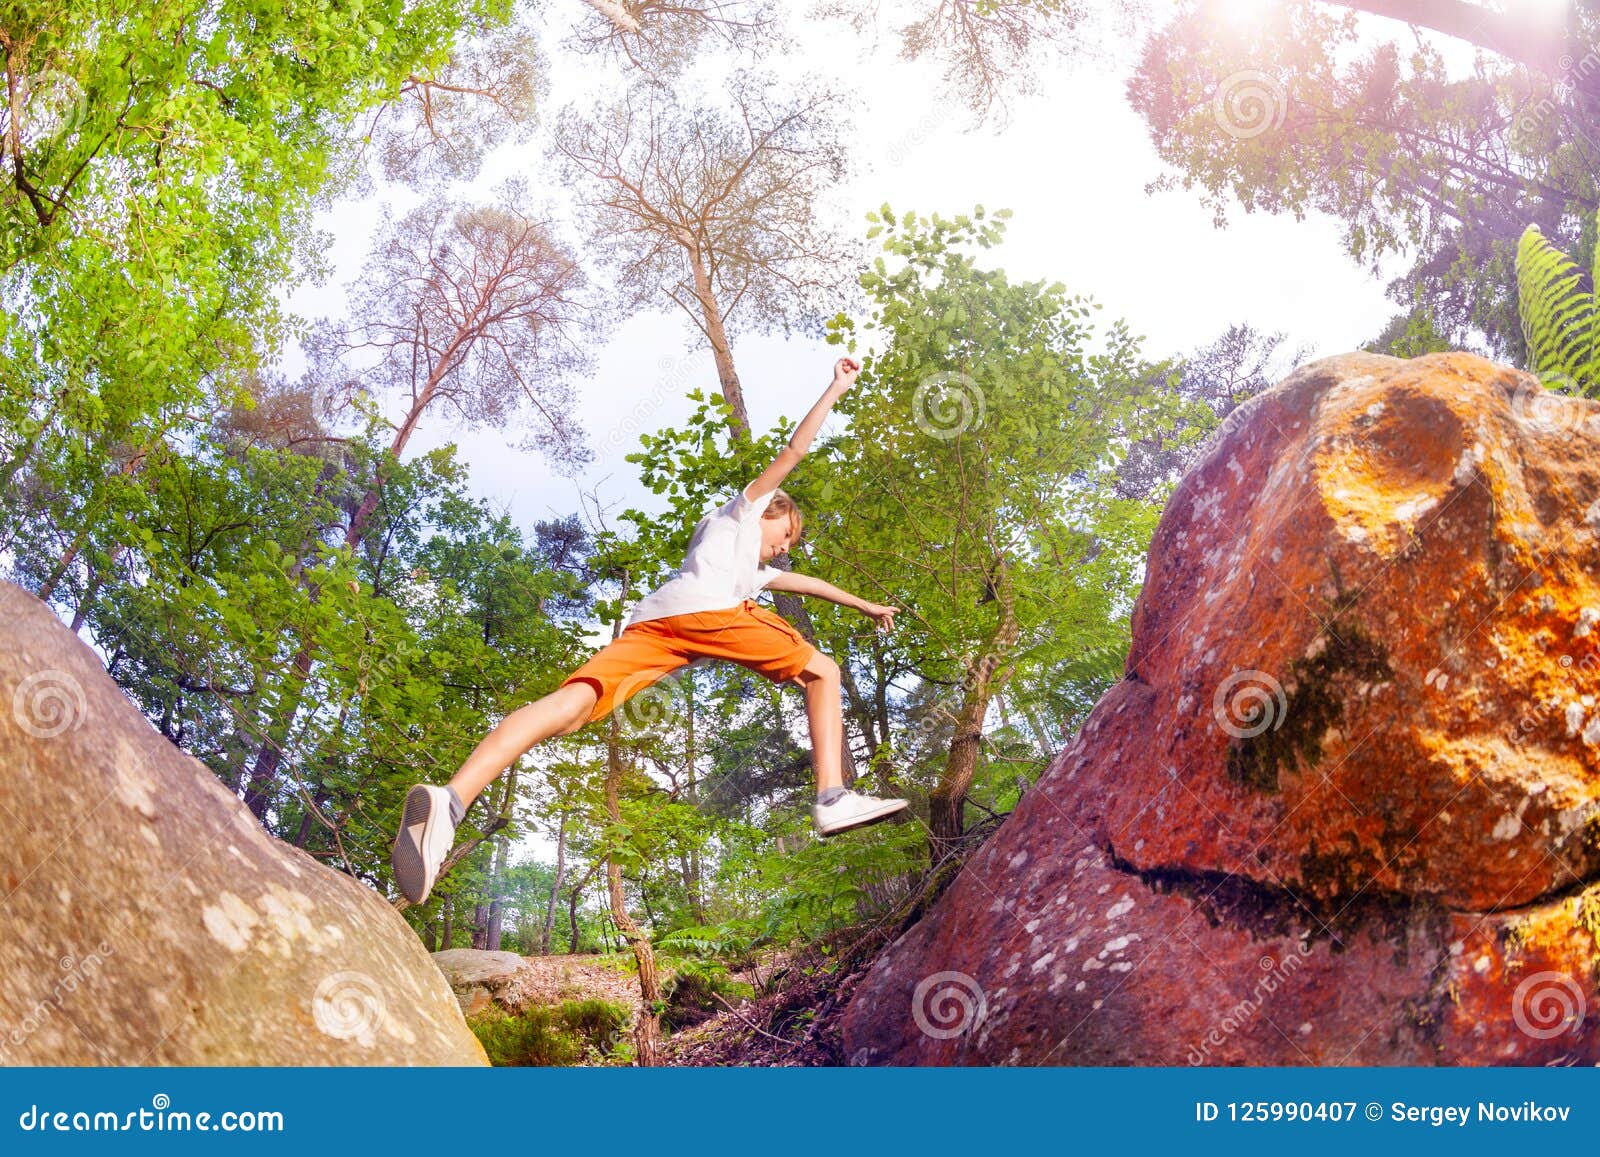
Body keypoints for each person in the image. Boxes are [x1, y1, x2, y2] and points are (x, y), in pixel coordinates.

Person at [391, 357, 909, 905]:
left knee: (571, 706)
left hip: (655, 624)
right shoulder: (743, 511)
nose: (786, 546)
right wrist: (835, 387)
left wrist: (864, 604)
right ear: (769, 512)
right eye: (786, 533)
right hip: (711, 612)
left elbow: (805, 583)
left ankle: (450, 802)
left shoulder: (736, 558)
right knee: (822, 671)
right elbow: (795, 451)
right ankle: (832, 796)